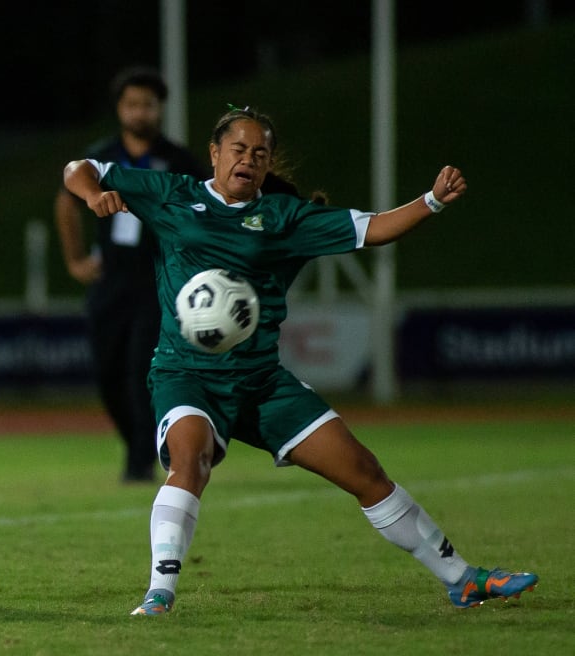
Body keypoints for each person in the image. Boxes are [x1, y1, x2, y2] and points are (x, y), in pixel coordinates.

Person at [62, 105, 538, 615]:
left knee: (364, 471)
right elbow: (76, 170)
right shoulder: (173, 195)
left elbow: (373, 229)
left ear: (267, 166)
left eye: (259, 153)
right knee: (190, 460)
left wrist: (432, 201)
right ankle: (160, 592)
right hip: (186, 376)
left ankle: (463, 580)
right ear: (215, 154)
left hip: (262, 382)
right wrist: (93, 195)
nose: (248, 159)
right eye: (239, 149)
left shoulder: (284, 219)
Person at [54, 66, 209, 482]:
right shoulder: (100, 157)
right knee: (106, 372)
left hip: (157, 281)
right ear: (120, 109)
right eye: (132, 104)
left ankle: (140, 460)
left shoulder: (178, 161)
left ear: (160, 109)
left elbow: (204, 213)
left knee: (143, 367)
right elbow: (66, 203)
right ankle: (137, 447)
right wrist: (74, 260)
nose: (140, 112)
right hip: (110, 278)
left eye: (148, 104)